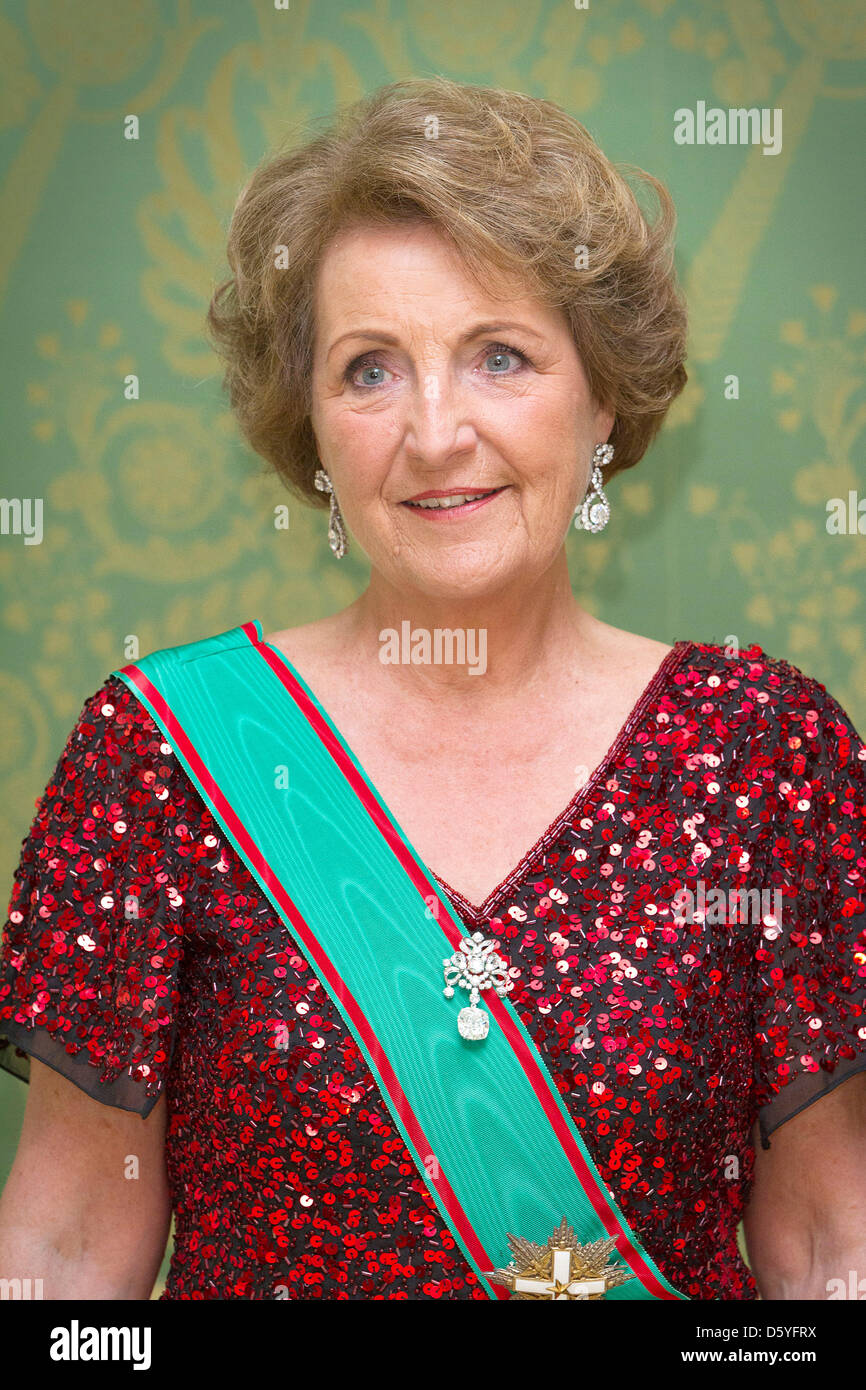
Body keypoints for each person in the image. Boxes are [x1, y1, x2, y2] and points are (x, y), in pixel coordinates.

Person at [1, 76, 864, 1302]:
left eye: (500, 355)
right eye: (369, 372)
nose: (435, 430)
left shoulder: (766, 750)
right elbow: (68, 1252)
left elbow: (831, 1249)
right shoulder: (164, 752)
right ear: (309, 428)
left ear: (601, 396)